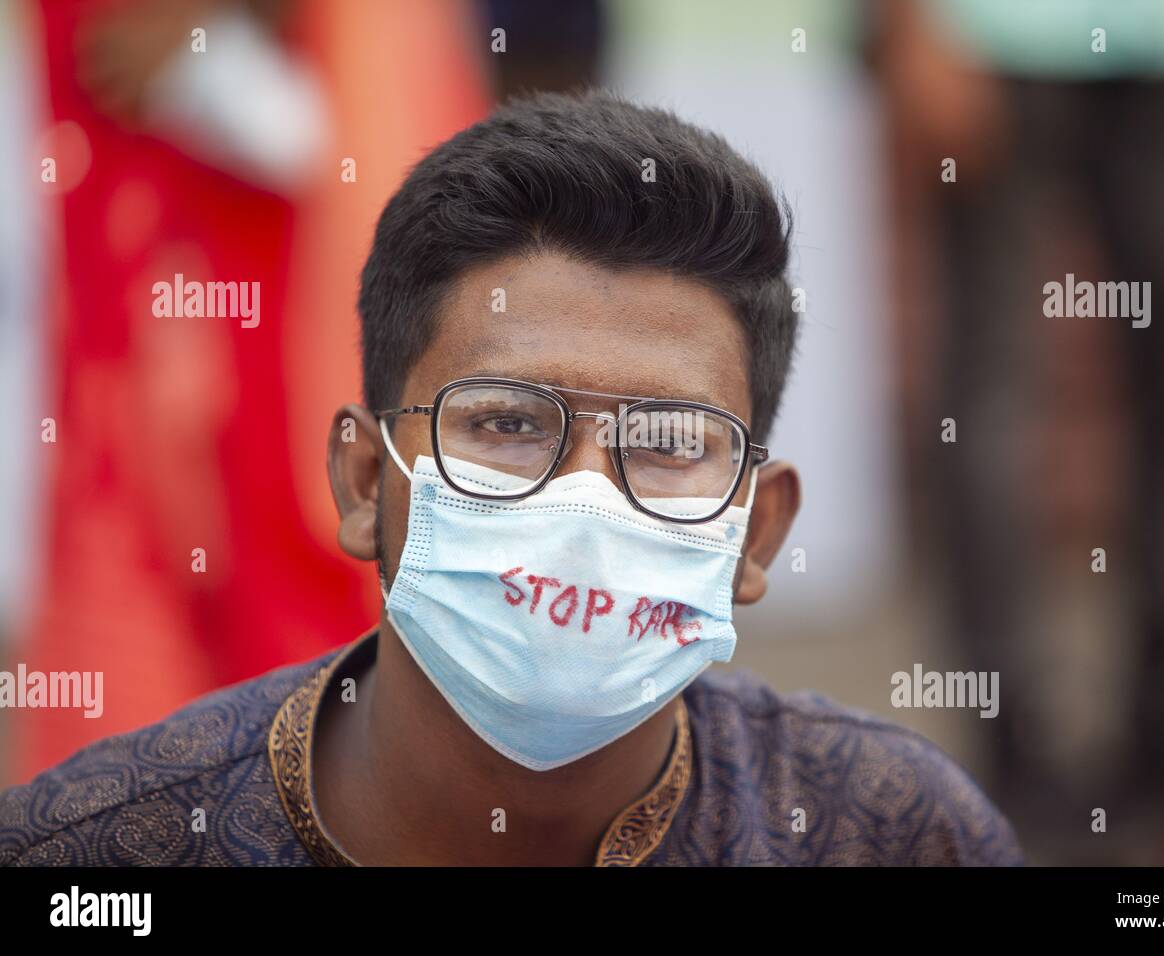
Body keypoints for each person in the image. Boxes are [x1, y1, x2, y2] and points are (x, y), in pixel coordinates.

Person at [0, 91, 1021, 867]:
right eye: (506, 424)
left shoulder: (885, 829)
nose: (582, 500)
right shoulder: (105, 850)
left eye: (668, 441)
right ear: (364, 478)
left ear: (755, 530)